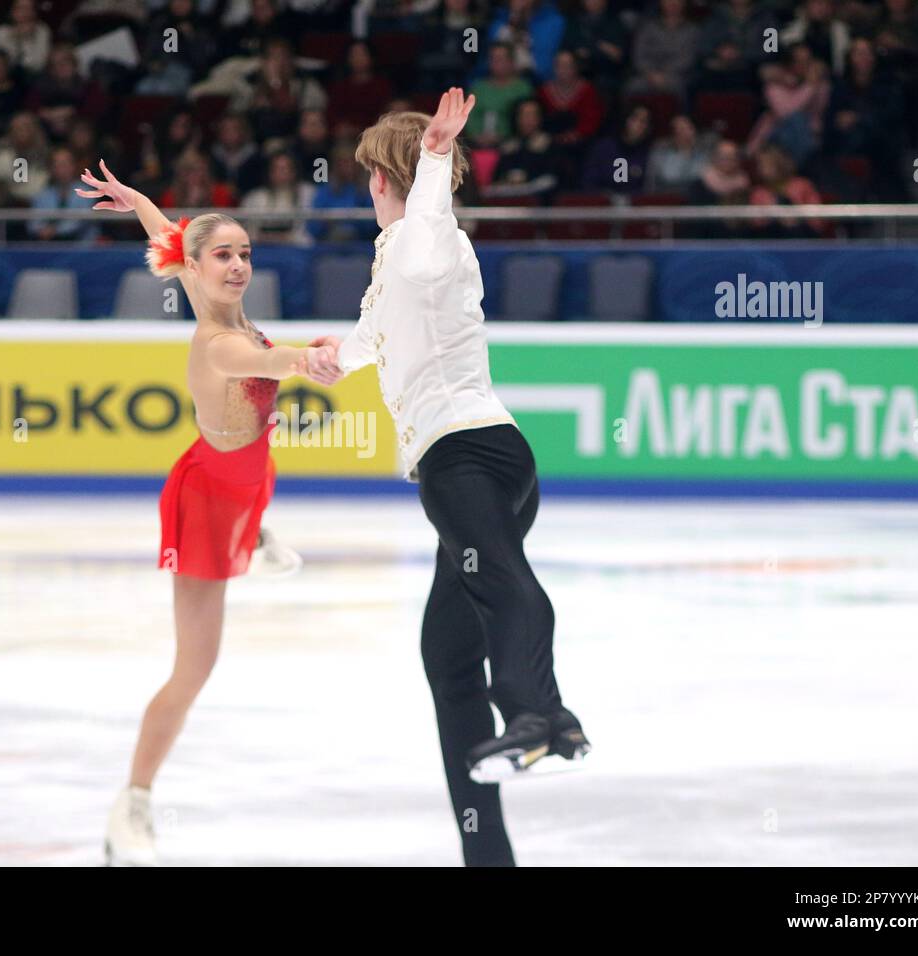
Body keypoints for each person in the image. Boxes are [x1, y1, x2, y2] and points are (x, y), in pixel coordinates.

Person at [316, 88, 589, 867]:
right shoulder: (396, 258)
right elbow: (373, 333)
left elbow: (427, 227)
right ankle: (488, 853)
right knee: (448, 655)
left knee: (498, 576)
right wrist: (327, 358)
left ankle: (542, 713)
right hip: (480, 457)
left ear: (378, 178)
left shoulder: (424, 241)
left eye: (369, 174)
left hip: (466, 454)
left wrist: (433, 156)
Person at [75, 161, 340, 867]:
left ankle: (259, 527)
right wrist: (314, 357)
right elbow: (282, 361)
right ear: (199, 267)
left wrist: (137, 201)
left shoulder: (202, 289)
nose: (238, 265)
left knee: (259, 475)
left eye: (246, 253)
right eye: (223, 254)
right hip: (207, 502)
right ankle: (131, 802)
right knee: (196, 668)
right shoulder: (219, 342)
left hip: (248, 479)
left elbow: (167, 236)